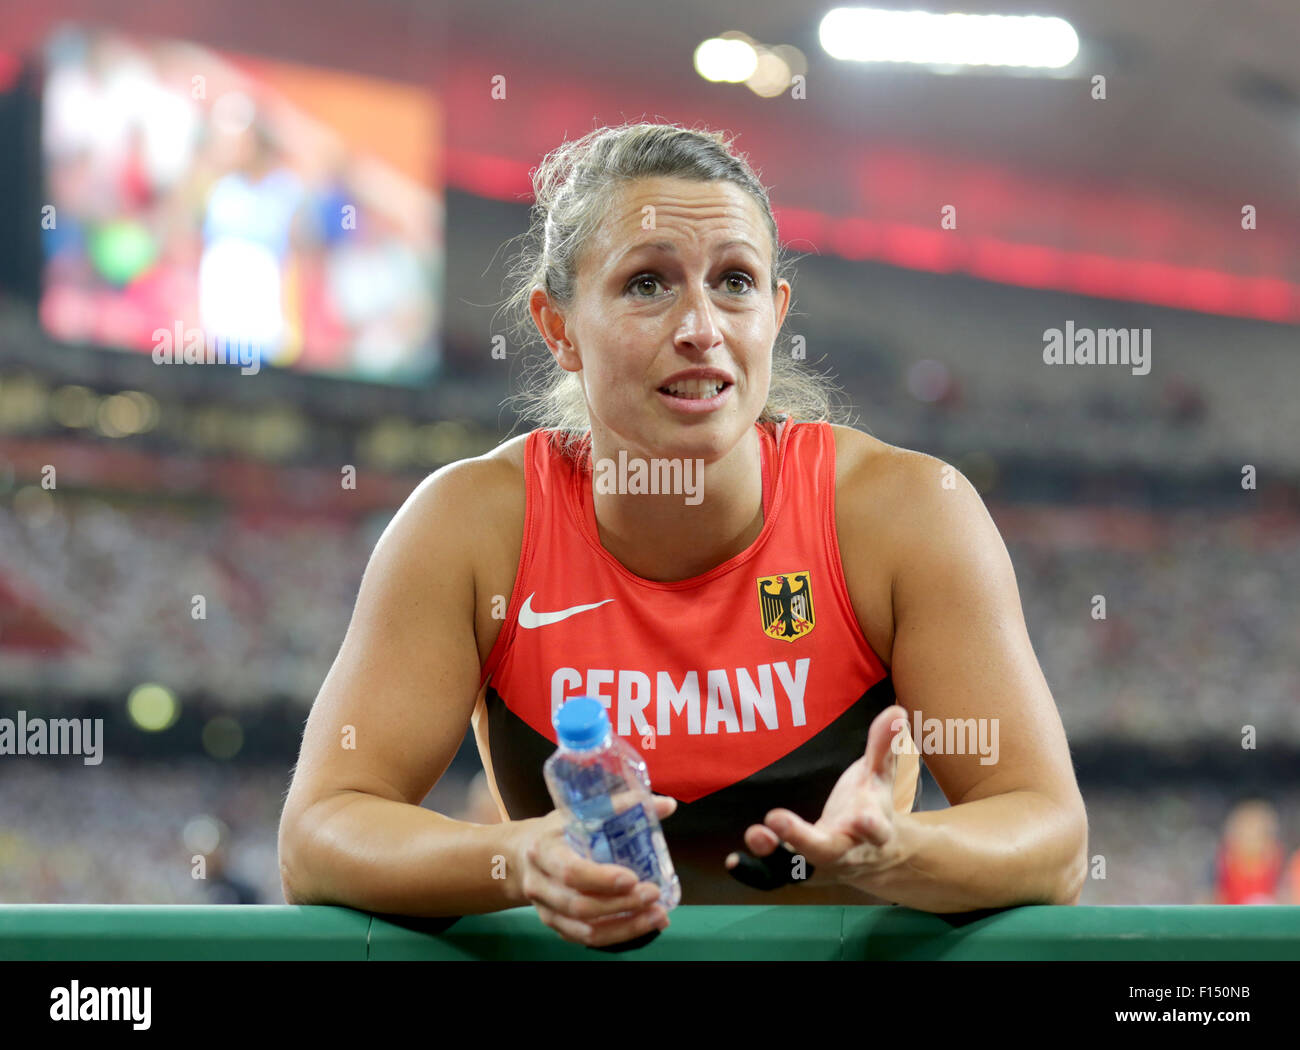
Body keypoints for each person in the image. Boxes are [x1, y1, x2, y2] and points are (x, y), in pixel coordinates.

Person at [278, 121, 1087, 949]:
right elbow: (320, 832)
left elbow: (1052, 838)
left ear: (774, 314)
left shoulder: (905, 514)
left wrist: (902, 853)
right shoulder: (471, 529)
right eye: (647, 284)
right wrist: (515, 859)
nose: (702, 326)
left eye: (734, 281)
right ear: (558, 328)